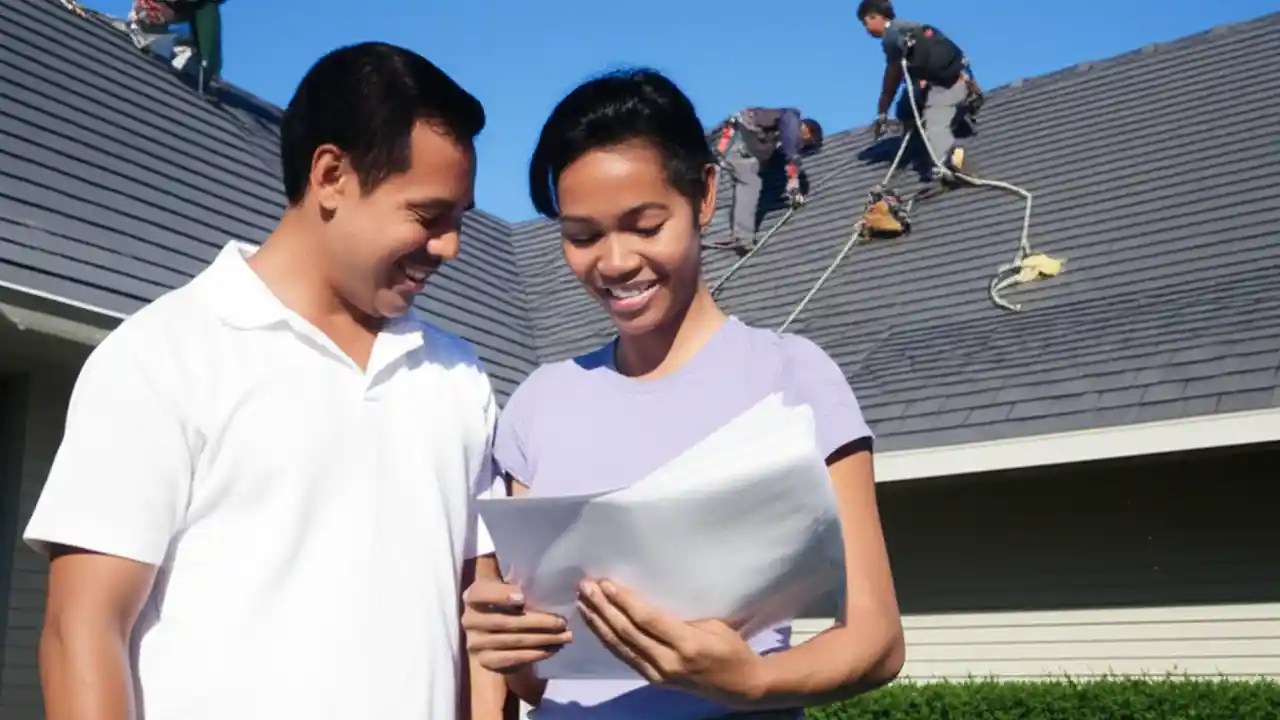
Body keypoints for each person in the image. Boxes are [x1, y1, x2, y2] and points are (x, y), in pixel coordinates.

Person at [24, 42, 498, 720]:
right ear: (331, 175)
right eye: (428, 216)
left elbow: (480, 619)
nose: (451, 246)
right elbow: (82, 630)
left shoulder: (460, 378)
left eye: (460, 220)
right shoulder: (167, 354)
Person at [462, 68, 904, 719]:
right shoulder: (539, 402)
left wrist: (750, 682)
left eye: (644, 225)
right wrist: (506, 642)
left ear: (702, 195)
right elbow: (541, 682)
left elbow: (877, 640)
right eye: (581, 236)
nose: (613, 262)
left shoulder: (791, 378)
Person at [858, 0, 982, 182]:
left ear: (876, 16)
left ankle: (951, 161)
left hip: (940, 88)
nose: (866, 28)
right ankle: (931, 131)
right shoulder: (917, 27)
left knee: (934, 123)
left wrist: (883, 109)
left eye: (866, 22)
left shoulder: (891, 36)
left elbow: (893, 75)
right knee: (909, 108)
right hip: (960, 80)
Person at [709, 107, 823, 250]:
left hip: (732, 139)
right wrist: (794, 183)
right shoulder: (792, 119)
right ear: (806, 131)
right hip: (738, 137)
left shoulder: (777, 132)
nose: (804, 147)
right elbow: (791, 150)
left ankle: (702, 225)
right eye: (808, 143)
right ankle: (742, 238)